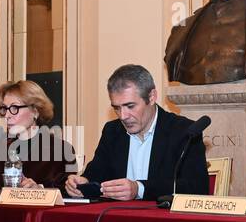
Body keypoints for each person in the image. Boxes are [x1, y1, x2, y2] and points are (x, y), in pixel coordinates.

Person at [65, 64, 208, 201]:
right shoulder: (112, 131)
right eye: (117, 108)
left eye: (130, 106)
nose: (123, 116)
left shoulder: (183, 131)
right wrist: (83, 182)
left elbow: (196, 187)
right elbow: (96, 172)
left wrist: (139, 189)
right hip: (117, 220)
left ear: (152, 97)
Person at [0, 80, 77, 190]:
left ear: (35, 111)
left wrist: (40, 190)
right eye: (4, 109)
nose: (7, 115)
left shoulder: (61, 150)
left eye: (14, 108)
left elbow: (69, 193)